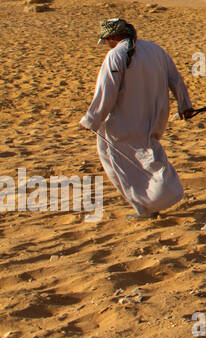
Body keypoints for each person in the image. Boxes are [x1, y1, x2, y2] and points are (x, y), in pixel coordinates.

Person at [76, 18, 195, 218]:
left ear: (112, 37)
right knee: (148, 157)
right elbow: (176, 79)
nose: (106, 44)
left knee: (120, 164)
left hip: (125, 122)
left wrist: (91, 120)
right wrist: (185, 105)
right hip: (155, 116)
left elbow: (107, 92)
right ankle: (152, 203)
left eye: (106, 40)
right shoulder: (155, 50)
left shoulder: (115, 55)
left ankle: (150, 205)